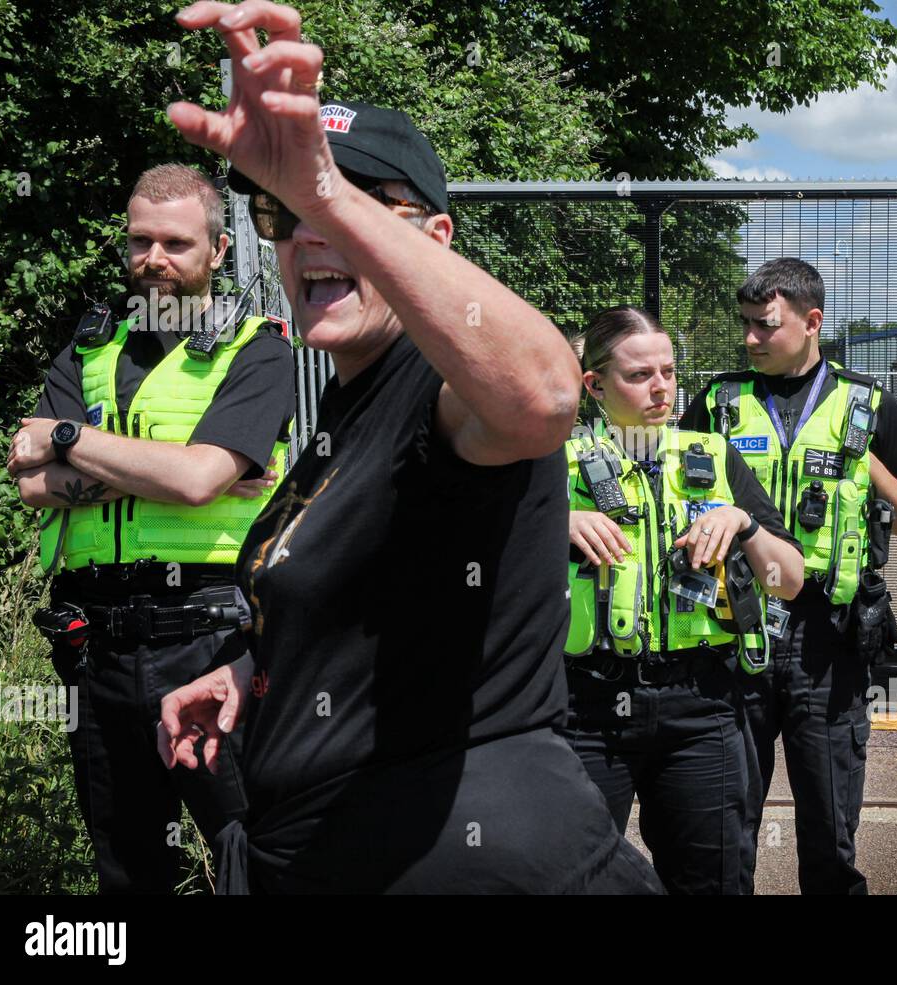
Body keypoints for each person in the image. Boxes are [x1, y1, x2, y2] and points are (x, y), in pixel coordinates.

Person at [156, 0, 663, 895]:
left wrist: (322, 190)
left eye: (355, 210)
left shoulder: (443, 389)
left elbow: (546, 397)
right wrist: (250, 670)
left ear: (432, 241)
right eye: (284, 213)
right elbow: (368, 611)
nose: (309, 231)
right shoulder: (339, 418)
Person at [8, 162, 296, 893]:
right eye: (141, 242)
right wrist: (173, 469)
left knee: (253, 856)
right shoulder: (92, 348)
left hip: (212, 643)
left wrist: (68, 438)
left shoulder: (258, 348)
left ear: (218, 252)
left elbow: (200, 481)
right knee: (126, 868)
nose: (155, 260)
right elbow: (31, 481)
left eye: (176, 242)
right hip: (96, 647)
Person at [680, 258, 897, 894]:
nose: (750, 339)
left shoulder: (867, 403)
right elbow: (672, 497)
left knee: (829, 816)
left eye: (765, 326)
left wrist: (861, 462)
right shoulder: (718, 402)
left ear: (812, 321)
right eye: (746, 325)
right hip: (732, 625)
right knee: (727, 814)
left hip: (829, 633)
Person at [562, 305, 804, 894]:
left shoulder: (714, 456)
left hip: (700, 704)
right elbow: (478, 559)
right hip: (585, 709)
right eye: (640, 375)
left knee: (714, 878)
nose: (661, 387)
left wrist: (743, 523)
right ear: (594, 385)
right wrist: (553, 522)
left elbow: (789, 580)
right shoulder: (553, 464)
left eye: (668, 371)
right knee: (574, 877)